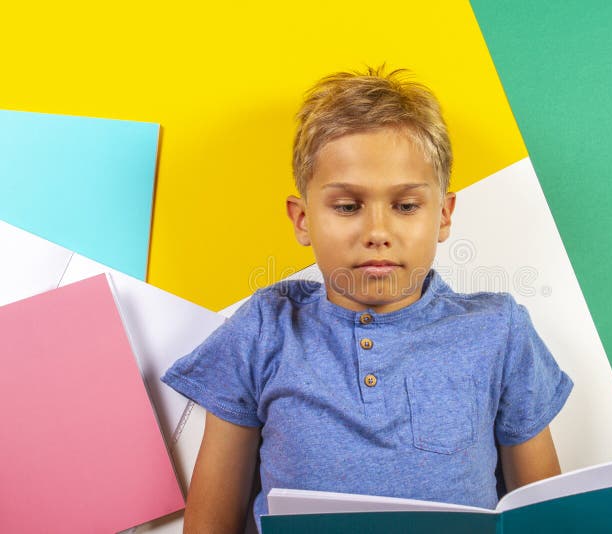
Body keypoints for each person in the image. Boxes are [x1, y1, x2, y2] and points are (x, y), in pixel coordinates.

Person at [162, 65, 573, 533]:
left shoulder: (499, 330)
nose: (377, 231)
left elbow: (544, 519)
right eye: (347, 206)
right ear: (302, 220)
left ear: (443, 215)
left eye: (405, 206)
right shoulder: (264, 328)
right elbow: (211, 524)